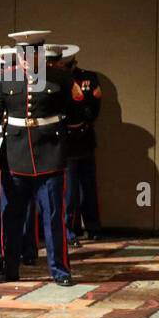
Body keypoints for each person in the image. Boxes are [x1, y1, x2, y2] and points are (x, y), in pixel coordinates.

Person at [0, 30, 82, 285]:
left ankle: (60, 271)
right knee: (11, 216)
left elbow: (76, 112)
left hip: (50, 153)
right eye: (21, 53)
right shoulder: (5, 79)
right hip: (15, 155)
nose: (25, 58)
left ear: (40, 53)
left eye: (31, 53)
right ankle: (9, 268)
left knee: (52, 216)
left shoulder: (59, 77)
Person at [53, 43, 103, 244]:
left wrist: (84, 122)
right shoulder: (54, 80)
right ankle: (69, 230)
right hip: (65, 141)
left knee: (89, 187)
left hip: (85, 138)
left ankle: (93, 227)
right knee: (70, 191)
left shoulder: (88, 79)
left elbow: (92, 106)